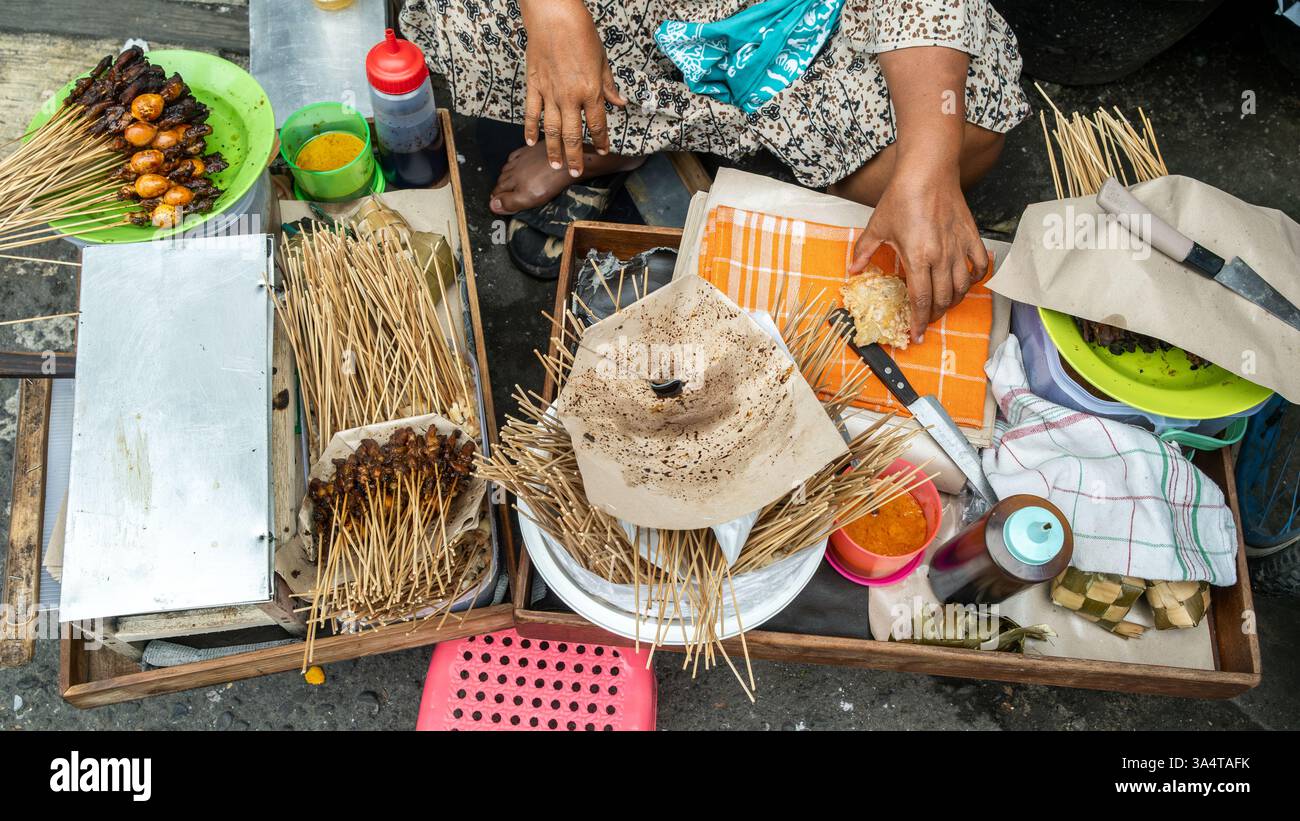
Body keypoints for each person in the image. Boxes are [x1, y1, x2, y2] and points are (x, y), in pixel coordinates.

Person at [399, 0, 1029, 338]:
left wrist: (927, 168)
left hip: (805, 22)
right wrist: (553, 10)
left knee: (959, 136)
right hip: (626, 16)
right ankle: (604, 130)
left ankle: (641, 127)